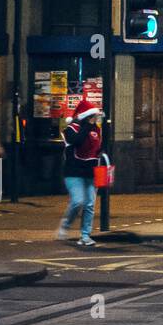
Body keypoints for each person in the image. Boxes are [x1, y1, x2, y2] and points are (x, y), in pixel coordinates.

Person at [58, 99, 103, 247]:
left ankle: (85, 236)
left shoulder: (96, 129)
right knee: (78, 201)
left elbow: (99, 147)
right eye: (93, 116)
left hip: (91, 171)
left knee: (89, 204)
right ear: (86, 116)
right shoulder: (72, 128)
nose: (96, 119)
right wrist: (88, 126)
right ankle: (66, 224)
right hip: (74, 171)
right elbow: (76, 141)